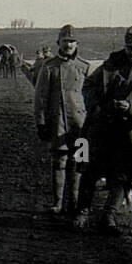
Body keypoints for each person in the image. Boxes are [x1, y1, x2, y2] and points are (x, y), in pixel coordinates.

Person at [75, 26, 132, 237]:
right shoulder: (111, 64)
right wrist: (95, 106)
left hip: (126, 130)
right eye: (129, 48)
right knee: (89, 170)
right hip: (99, 126)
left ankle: (109, 216)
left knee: (121, 175)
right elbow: (88, 85)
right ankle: (82, 213)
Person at [33, 25, 91, 214]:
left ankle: (74, 203)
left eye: (72, 41)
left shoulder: (85, 67)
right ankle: (58, 203)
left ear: (77, 44)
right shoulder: (49, 67)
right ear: (59, 43)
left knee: (79, 163)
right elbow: (41, 97)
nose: (68, 45)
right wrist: (41, 122)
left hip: (80, 124)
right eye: (65, 41)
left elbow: (91, 97)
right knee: (59, 162)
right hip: (58, 122)